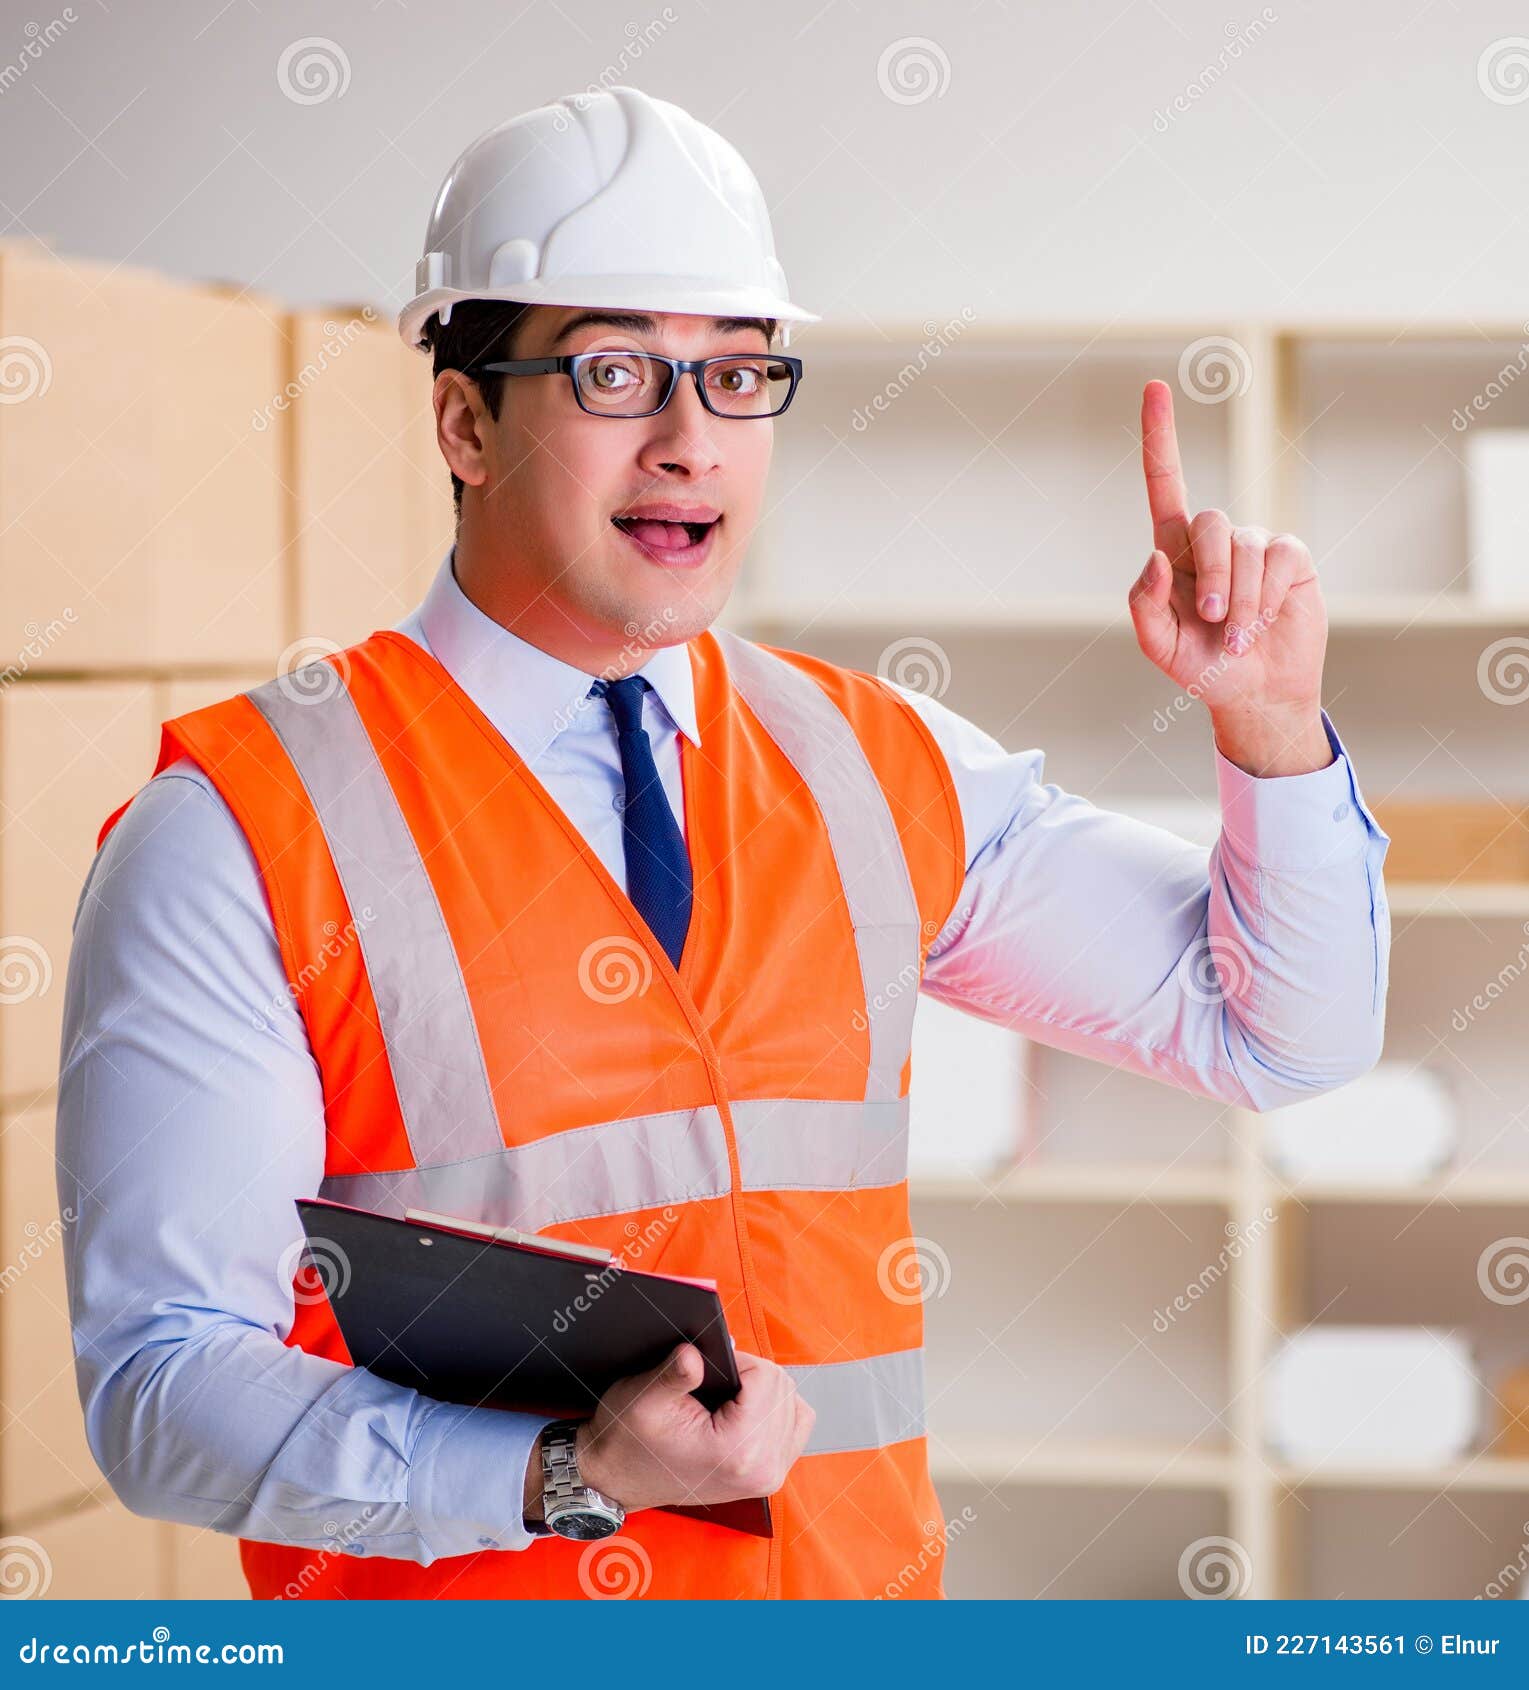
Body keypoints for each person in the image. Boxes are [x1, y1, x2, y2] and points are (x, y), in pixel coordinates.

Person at [56, 86, 1388, 1601]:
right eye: (617, 371)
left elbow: (1281, 1035)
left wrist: (1269, 731)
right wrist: (558, 1474)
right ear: (462, 418)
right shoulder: (241, 827)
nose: (692, 442)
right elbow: (161, 1388)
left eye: (741, 373)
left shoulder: (878, 765)